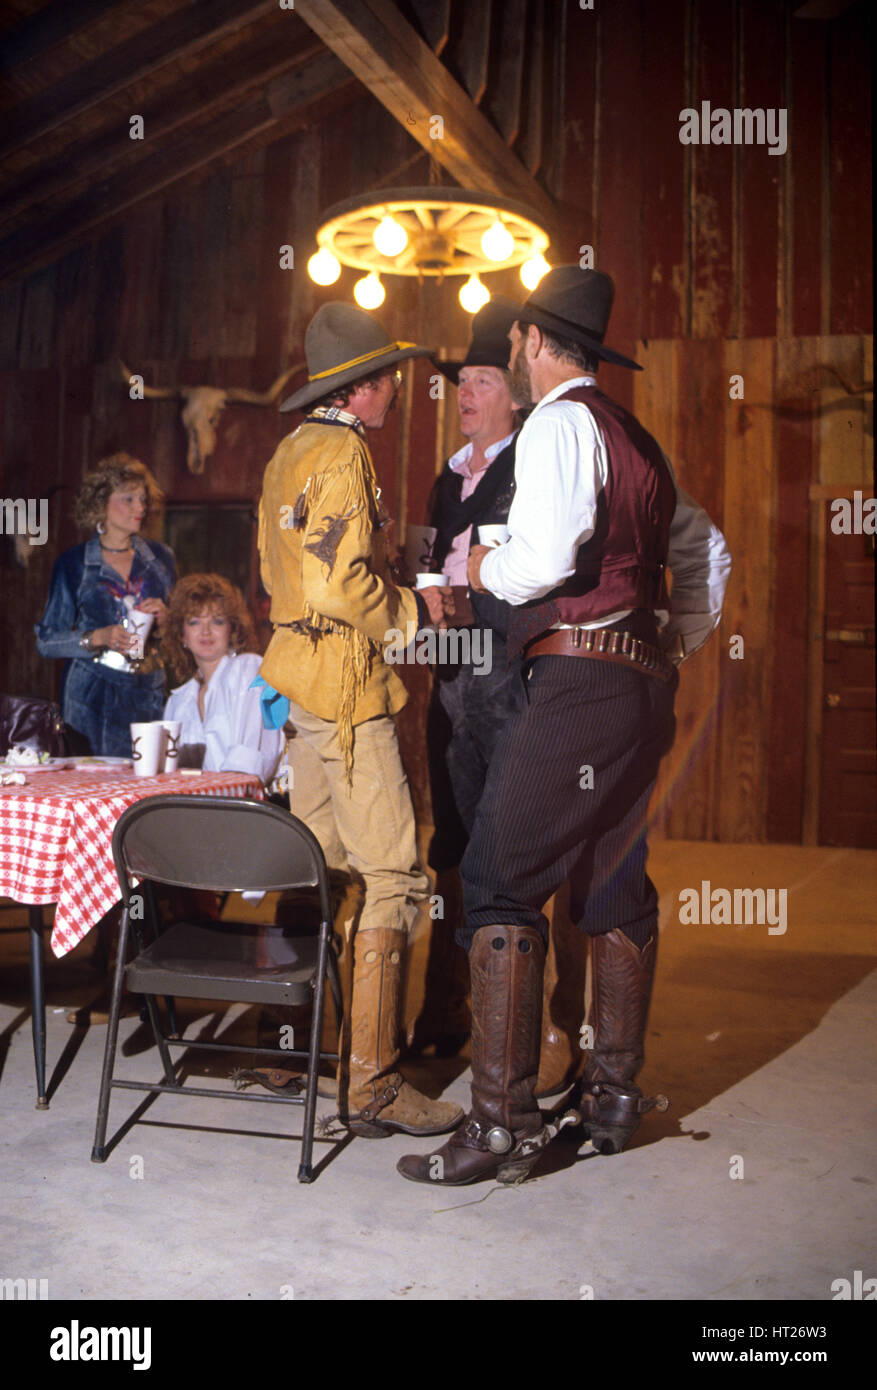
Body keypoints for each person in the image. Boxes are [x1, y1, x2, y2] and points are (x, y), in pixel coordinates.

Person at [398, 266, 731, 1186]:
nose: (510, 353)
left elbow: (540, 556)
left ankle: (499, 1124)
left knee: (499, 869)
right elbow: (707, 548)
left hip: (578, 676)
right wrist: (678, 638)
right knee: (609, 874)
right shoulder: (638, 439)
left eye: (513, 343)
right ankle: (613, 1098)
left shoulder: (555, 422)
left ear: (536, 345)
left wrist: (488, 565)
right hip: (640, 684)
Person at [257, 301, 463, 1139]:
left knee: (324, 868)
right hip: (343, 693)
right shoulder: (342, 453)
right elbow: (341, 587)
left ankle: (301, 1049)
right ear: (366, 386)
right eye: (393, 380)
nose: (399, 393)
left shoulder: (291, 450)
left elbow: (295, 572)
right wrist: (415, 609)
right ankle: (372, 1084)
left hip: (300, 689)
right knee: (394, 877)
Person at [408, 298, 589, 1097]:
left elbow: (543, 570)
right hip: (449, 680)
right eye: (461, 382)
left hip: (512, 679)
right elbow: (424, 561)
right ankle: (444, 1011)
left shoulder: (538, 456)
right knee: (448, 845)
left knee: (507, 850)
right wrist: (423, 599)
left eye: (482, 379)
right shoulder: (446, 479)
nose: (467, 394)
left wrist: (467, 598)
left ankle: (526, 1031)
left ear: (513, 393)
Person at [35, 453, 175, 757]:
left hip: (150, 690)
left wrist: (168, 622)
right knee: (94, 784)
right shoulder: (73, 563)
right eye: (128, 499)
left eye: (142, 499)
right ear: (100, 503)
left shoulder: (161, 559)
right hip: (91, 694)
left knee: (150, 792)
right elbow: (46, 641)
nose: (140, 507)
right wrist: (98, 637)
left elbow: (183, 635)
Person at [162, 573, 284, 786]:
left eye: (217, 621)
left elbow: (251, 763)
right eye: (194, 622)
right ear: (182, 635)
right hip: (193, 806)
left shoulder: (249, 670)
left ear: (233, 629)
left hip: (245, 807)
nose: (206, 631)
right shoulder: (177, 700)